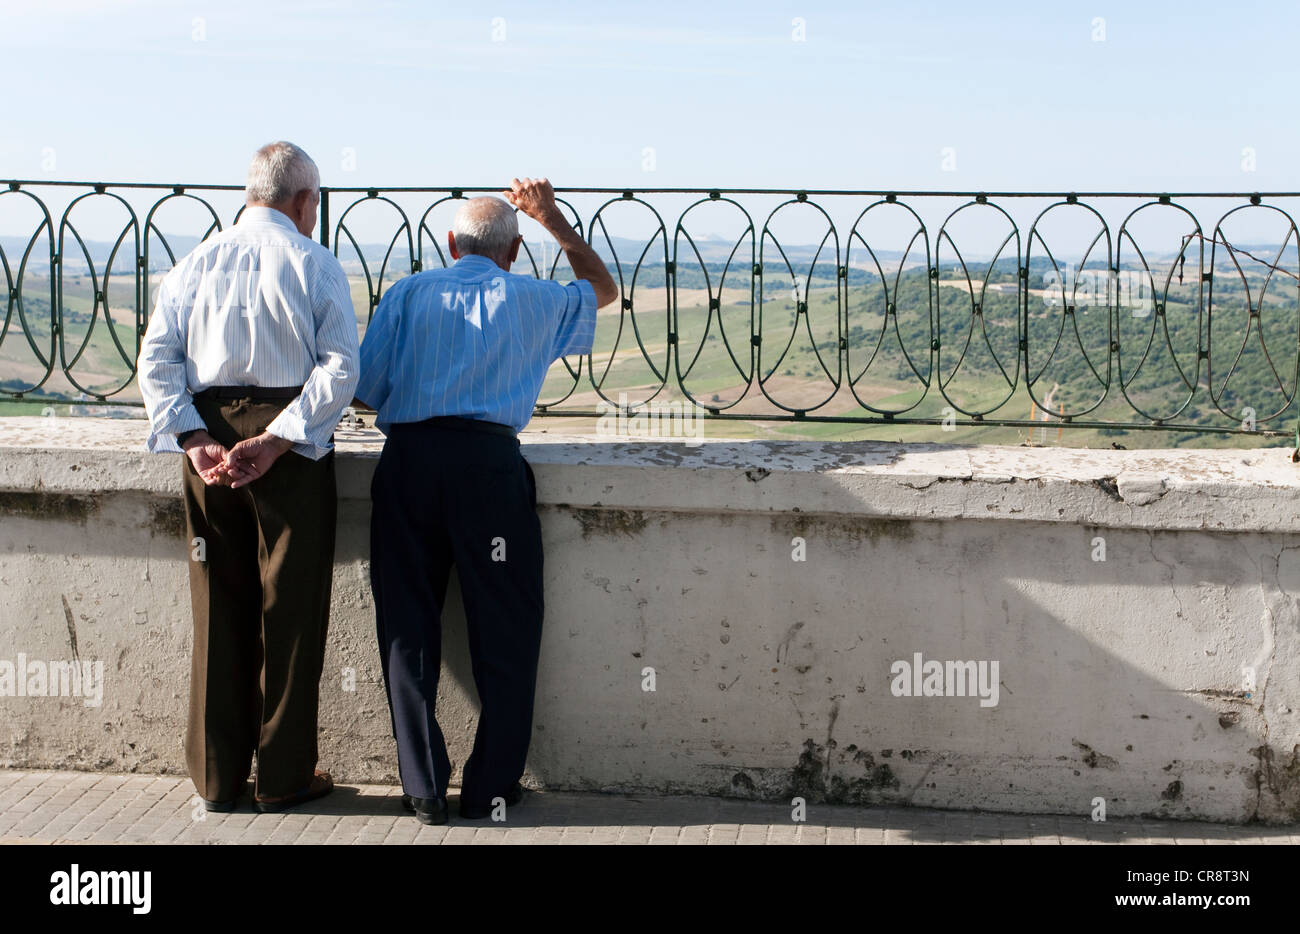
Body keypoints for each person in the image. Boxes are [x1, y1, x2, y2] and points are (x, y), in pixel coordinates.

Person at [357, 178, 617, 824]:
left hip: (410, 464)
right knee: (506, 627)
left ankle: (423, 786)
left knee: (406, 626)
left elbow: (364, 387)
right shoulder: (536, 298)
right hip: (490, 469)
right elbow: (603, 289)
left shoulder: (408, 292)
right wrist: (551, 216)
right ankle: (491, 788)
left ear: (451, 243)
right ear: (515, 251)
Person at [137, 141, 360, 813]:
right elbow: (340, 368)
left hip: (209, 438)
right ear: (305, 201)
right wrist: (279, 437)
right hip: (289, 445)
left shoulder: (195, 261)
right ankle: (284, 776)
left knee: (216, 605)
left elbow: (157, 361)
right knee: (291, 608)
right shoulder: (314, 261)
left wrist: (194, 437)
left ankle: (216, 778)